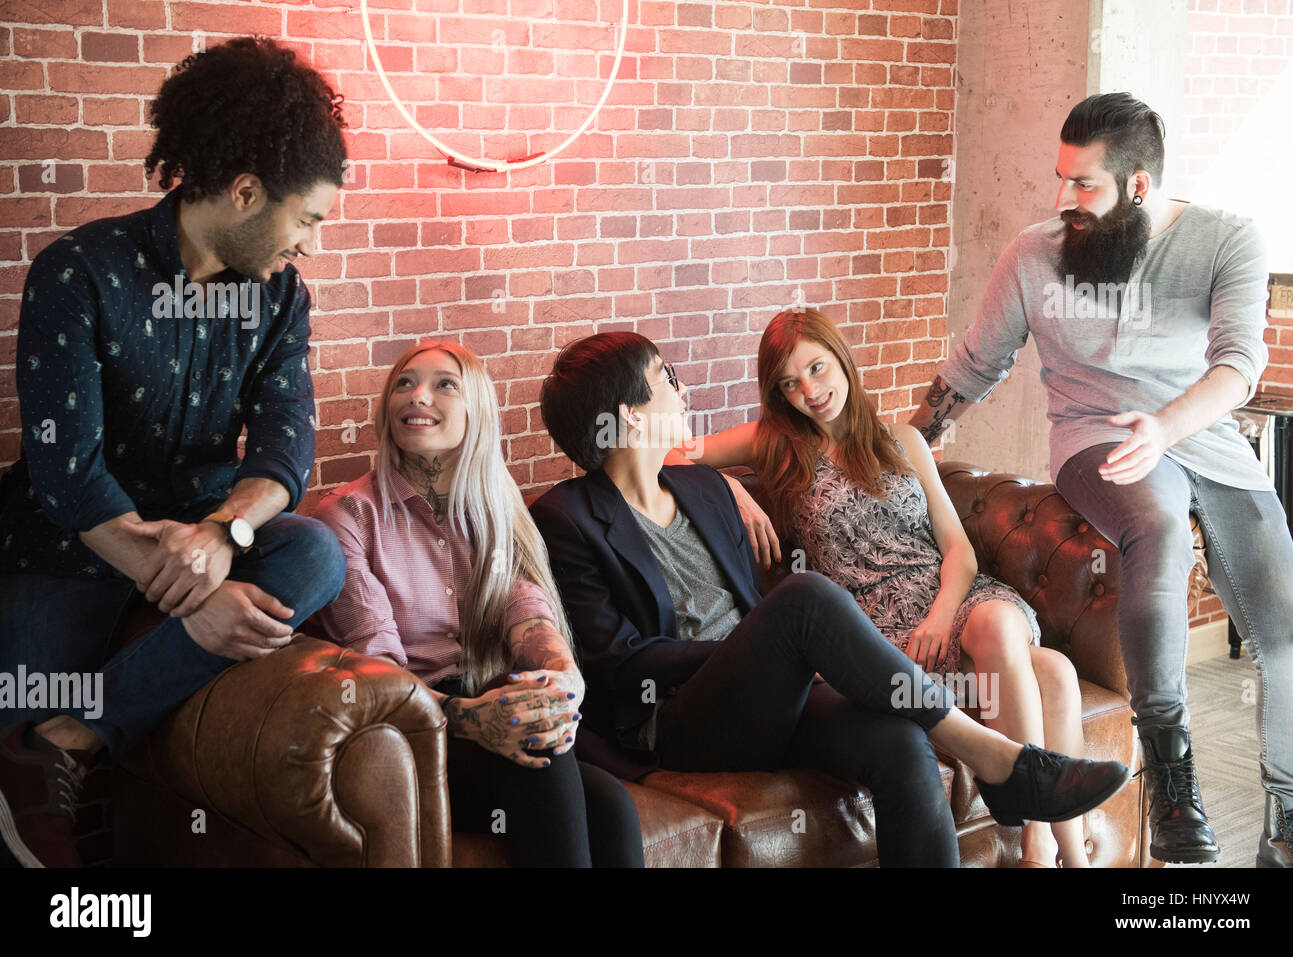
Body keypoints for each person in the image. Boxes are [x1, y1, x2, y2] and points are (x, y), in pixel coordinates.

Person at [530, 330, 1130, 867]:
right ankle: (994, 757)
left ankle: (1001, 779)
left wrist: (731, 494)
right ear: (631, 418)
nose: (681, 391)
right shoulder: (567, 518)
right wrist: (755, 647)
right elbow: (617, 662)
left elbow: (698, 467)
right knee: (804, 595)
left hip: (771, 701)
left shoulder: (703, 488)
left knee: (899, 743)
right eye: (666, 378)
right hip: (681, 719)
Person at [907, 92, 1293, 867]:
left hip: (1201, 432)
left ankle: (1288, 814)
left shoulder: (1227, 240)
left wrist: (1168, 426)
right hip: (1095, 436)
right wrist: (900, 443)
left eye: (1083, 185)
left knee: (1287, 628)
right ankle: (1172, 773)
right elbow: (973, 366)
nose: (1064, 202)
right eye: (1061, 179)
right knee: (1155, 526)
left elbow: (1239, 367)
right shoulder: (1034, 254)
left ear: (1141, 186)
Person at [0, 37, 350, 868]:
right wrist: (189, 597)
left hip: (205, 524)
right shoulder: (78, 272)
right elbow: (67, 470)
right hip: (69, 545)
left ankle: (75, 733)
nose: (310, 244)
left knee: (314, 553)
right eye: (307, 219)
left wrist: (219, 540)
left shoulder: (280, 295)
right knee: (12, 696)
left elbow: (284, 447)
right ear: (244, 192)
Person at [673, 307, 1093, 867]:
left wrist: (943, 614)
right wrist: (732, 490)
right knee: (1057, 673)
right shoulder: (774, 445)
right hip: (879, 634)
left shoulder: (902, 441)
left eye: (818, 369)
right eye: (791, 384)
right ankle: (1059, 849)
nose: (811, 391)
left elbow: (958, 550)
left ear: (842, 360)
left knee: (998, 626)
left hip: (953, 602)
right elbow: (673, 454)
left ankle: (1041, 846)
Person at [309, 341, 643, 867]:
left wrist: (561, 675)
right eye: (404, 383)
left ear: (478, 412)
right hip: (407, 737)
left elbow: (525, 609)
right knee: (541, 758)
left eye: (445, 384)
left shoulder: (493, 504)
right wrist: (473, 718)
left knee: (614, 808)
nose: (417, 396)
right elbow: (379, 675)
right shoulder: (347, 517)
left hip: (494, 705)